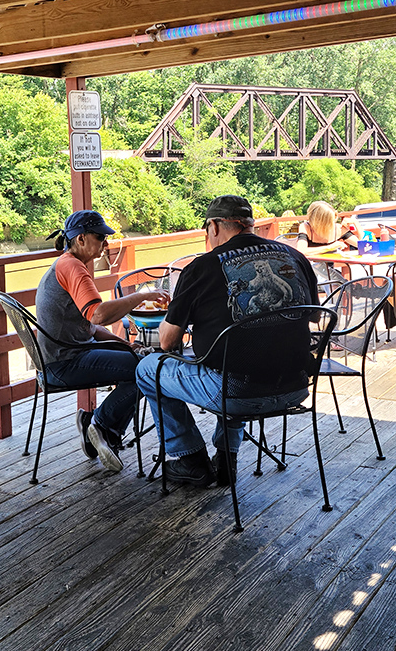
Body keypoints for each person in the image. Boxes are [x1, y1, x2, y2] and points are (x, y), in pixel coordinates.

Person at [136, 195, 319, 488]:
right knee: (239, 355)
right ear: (249, 225)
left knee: (148, 368)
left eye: (206, 230)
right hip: (296, 389)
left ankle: (190, 459)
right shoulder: (295, 257)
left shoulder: (201, 267)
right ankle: (225, 460)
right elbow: (313, 319)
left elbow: (169, 342)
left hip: (238, 394)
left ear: (215, 226)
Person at [36, 210, 170, 473]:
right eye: (100, 237)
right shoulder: (73, 267)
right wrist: (143, 296)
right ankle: (101, 427)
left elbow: (91, 326)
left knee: (137, 360)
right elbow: (98, 313)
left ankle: (95, 425)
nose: (106, 244)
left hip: (63, 355)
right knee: (147, 370)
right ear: (82, 239)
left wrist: (125, 345)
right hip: (64, 363)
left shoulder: (66, 263)